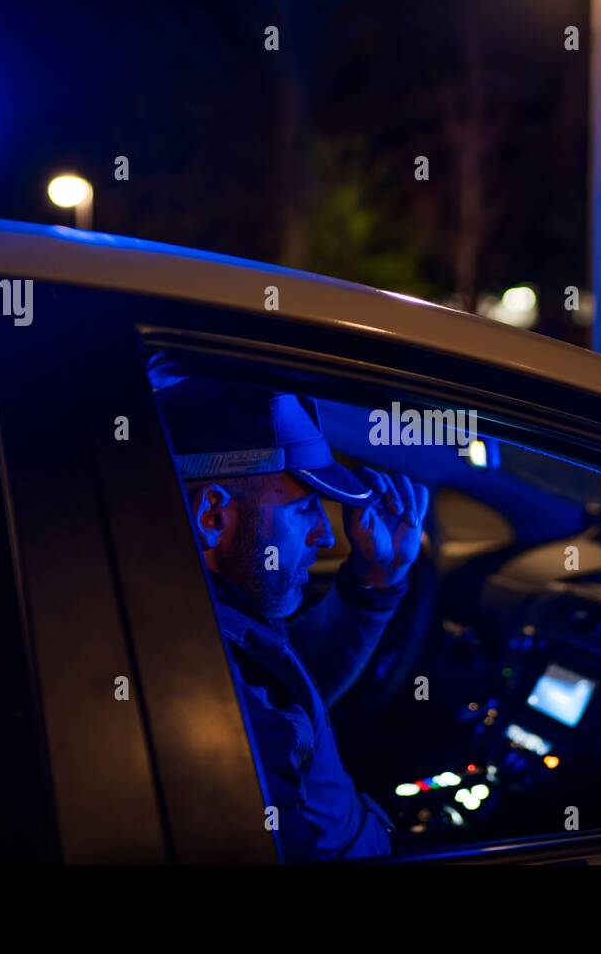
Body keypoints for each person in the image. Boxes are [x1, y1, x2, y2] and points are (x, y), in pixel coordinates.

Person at [152, 362, 428, 862]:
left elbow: (293, 684)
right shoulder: (217, 690)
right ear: (213, 516)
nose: (326, 535)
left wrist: (377, 579)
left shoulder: (206, 613)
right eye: (304, 509)